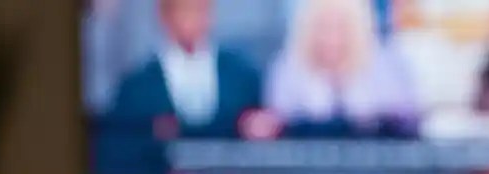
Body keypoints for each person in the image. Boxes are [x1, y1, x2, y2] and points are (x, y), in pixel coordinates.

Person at [263, 0, 419, 138]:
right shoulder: (288, 68)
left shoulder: (384, 68)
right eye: (323, 26)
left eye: (341, 26)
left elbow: (406, 121)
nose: (331, 36)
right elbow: (276, 120)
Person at [108, 0, 262, 140]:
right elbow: (121, 145)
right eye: (184, 9)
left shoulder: (242, 77)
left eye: (199, 9)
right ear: (164, 16)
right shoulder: (137, 87)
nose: (192, 18)